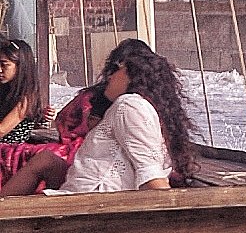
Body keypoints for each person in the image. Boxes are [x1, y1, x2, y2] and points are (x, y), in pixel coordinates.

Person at [0, 39, 196, 197]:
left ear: (133, 76)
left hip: (89, 203)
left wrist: (174, 219)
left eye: (117, 69)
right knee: (46, 159)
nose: (109, 77)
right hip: (88, 192)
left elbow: (151, 177)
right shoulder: (138, 106)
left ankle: (5, 214)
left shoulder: (129, 105)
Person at [0, 39, 45, 143]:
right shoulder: (5, 89)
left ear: (21, 66)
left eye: (4, 64)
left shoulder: (28, 96)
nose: (0, 70)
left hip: (9, 150)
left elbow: (2, 130)